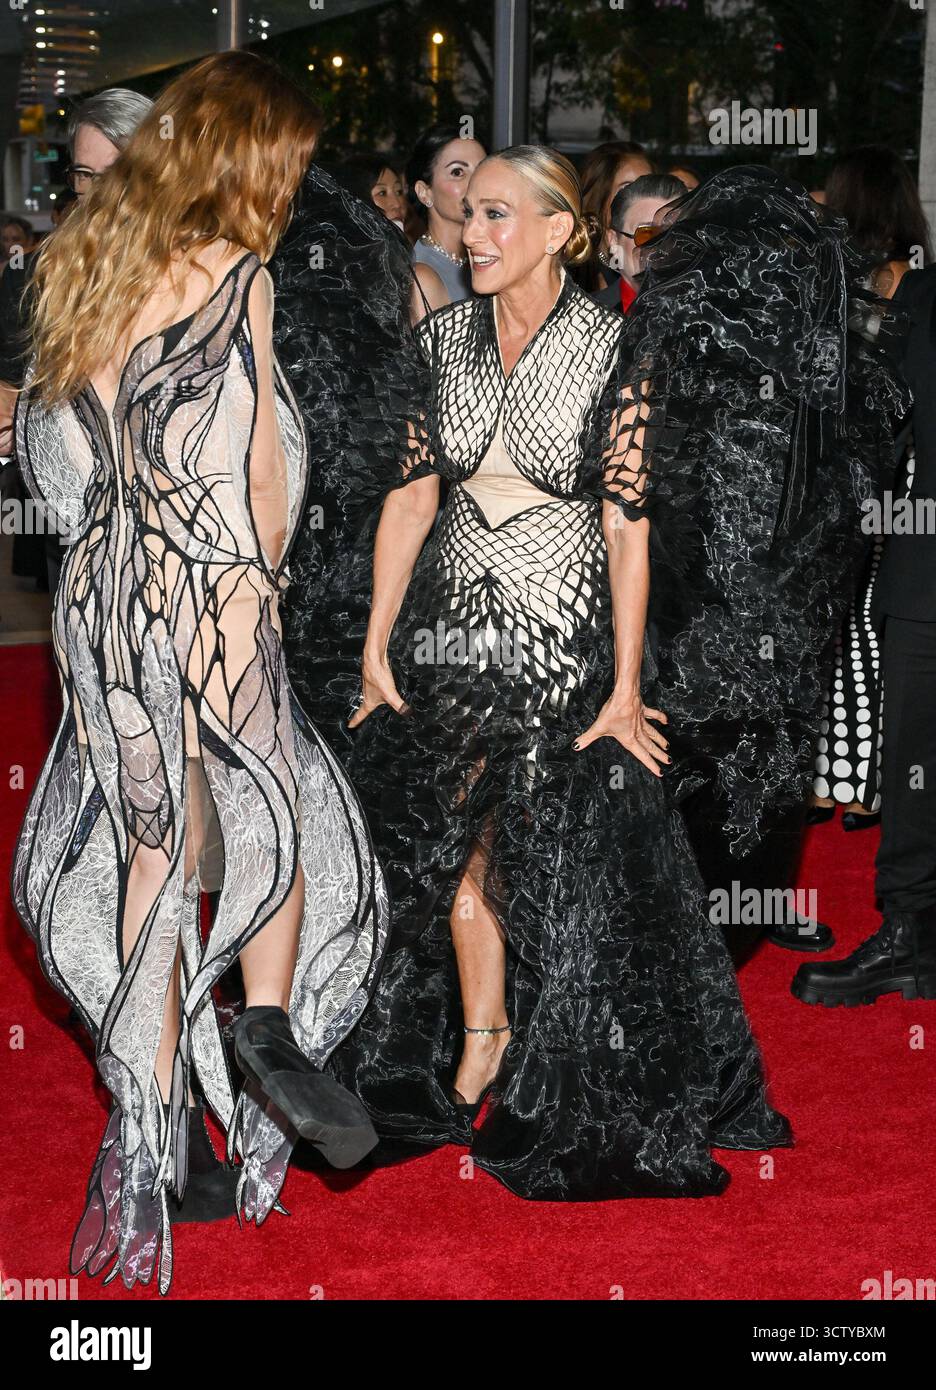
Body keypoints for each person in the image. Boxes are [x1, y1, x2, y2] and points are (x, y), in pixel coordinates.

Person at [324, 145, 790, 1201]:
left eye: (496, 215)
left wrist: (625, 687)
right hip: (450, 631)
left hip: (562, 634)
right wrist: (375, 641)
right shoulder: (440, 341)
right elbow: (409, 498)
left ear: (556, 232)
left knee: (547, 856)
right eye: (471, 213)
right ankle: (479, 1039)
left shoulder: (617, 347)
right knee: (452, 845)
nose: (474, 233)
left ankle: (550, 1060)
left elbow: (629, 526)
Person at [11, 51, 389, 1296]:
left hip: (102, 596)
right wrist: (263, 580)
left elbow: (54, 452)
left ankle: (152, 1132)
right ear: (244, 157)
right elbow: (258, 464)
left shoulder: (78, 264)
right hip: (210, 583)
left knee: (154, 852)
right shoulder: (238, 272)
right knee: (275, 806)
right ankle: (270, 1029)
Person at [623, 166, 907, 962]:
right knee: (727, 817)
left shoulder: (701, 366)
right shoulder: (830, 378)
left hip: (708, 647)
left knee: (702, 820)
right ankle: (718, 945)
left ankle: (707, 952)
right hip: (751, 650)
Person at [792, 239, 936, 1007]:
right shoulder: (919, 299)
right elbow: (871, 434)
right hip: (925, 581)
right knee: (914, 770)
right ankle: (911, 936)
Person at [808, 146, 932, 840]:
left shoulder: (844, 285)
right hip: (905, 480)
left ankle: (838, 781)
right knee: (878, 630)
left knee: (848, 623)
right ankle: (867, 785)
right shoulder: (912, 283)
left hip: (863, 474)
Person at [407, 124, 486, 302]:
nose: (476, 183)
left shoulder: (486, 258)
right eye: (457, 172)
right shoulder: (422, 276)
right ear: (424, 192)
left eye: (482, 170)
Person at [595, 172, 686, 313]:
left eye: (672, 233)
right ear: (613, 240)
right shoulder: (585, 318)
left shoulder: (713, 311)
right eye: (646, 234)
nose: (661, 246)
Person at [576, 140, 653, 293]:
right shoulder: (577, 276)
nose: (641, 198)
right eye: (627, 188)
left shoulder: (662, 261)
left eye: (649, 186)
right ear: (599, 196)